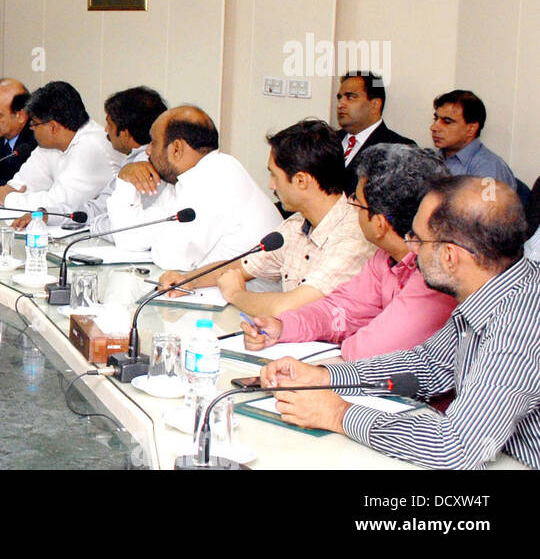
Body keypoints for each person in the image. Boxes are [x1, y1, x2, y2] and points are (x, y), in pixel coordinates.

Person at [260, 176, 540, 469]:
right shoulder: (497, 289)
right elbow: (428, 365)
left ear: (449, 256)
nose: (410, 247)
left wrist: (338, 414)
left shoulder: (520, 324)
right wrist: (325, 377)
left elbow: (455, 447)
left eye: (418, 239)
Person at [241, 144, 455, 360]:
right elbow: (339, 309)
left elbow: (369, 349)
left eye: (358, 202)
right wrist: (283, 327)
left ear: (380, 224)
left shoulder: (435, 272)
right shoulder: (385, 258)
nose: (351, 205)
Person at [158, 120, 375, 316]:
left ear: (301, 181)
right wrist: (189, 280)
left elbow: (292, 307)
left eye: (274, 175)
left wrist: (235, 294)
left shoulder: (354, 235)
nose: (271, 185)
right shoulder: (295, 226)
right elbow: (241, 266)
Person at [106, 106, 281, 269]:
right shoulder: (183, 181)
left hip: (245, 296)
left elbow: (173, 258)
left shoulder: (218, 176)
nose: (148, 151)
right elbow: (129, 239)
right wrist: (125, 180)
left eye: (154, 143)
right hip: (212, 293)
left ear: (176, 149)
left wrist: (158, 241)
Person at [0, 81, 118, 226]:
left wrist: (11, 199)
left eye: (34, 123)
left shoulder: (92, 147)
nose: (31, 129)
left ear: (53, 127)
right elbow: (19, 184)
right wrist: (15, 196)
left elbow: (58, 207)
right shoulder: (50, 144)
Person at [84, 85, 169, 233]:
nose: (105, 130)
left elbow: (111, 222)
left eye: (109, 124)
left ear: (125, 133)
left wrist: (95, 224)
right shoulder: (140, 158)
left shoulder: (142, 164)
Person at [333, 71, 415, 178]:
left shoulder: (399, 148)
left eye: (350, 97)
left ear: (375, 105)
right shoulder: (327, 140)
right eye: (339, 98)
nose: (340, 105)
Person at [430, 89, 516, 183]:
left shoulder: (489, 167)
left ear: (471, 128)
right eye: (435, 119)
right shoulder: (430, 159)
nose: (434, 127)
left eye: (447, 122)